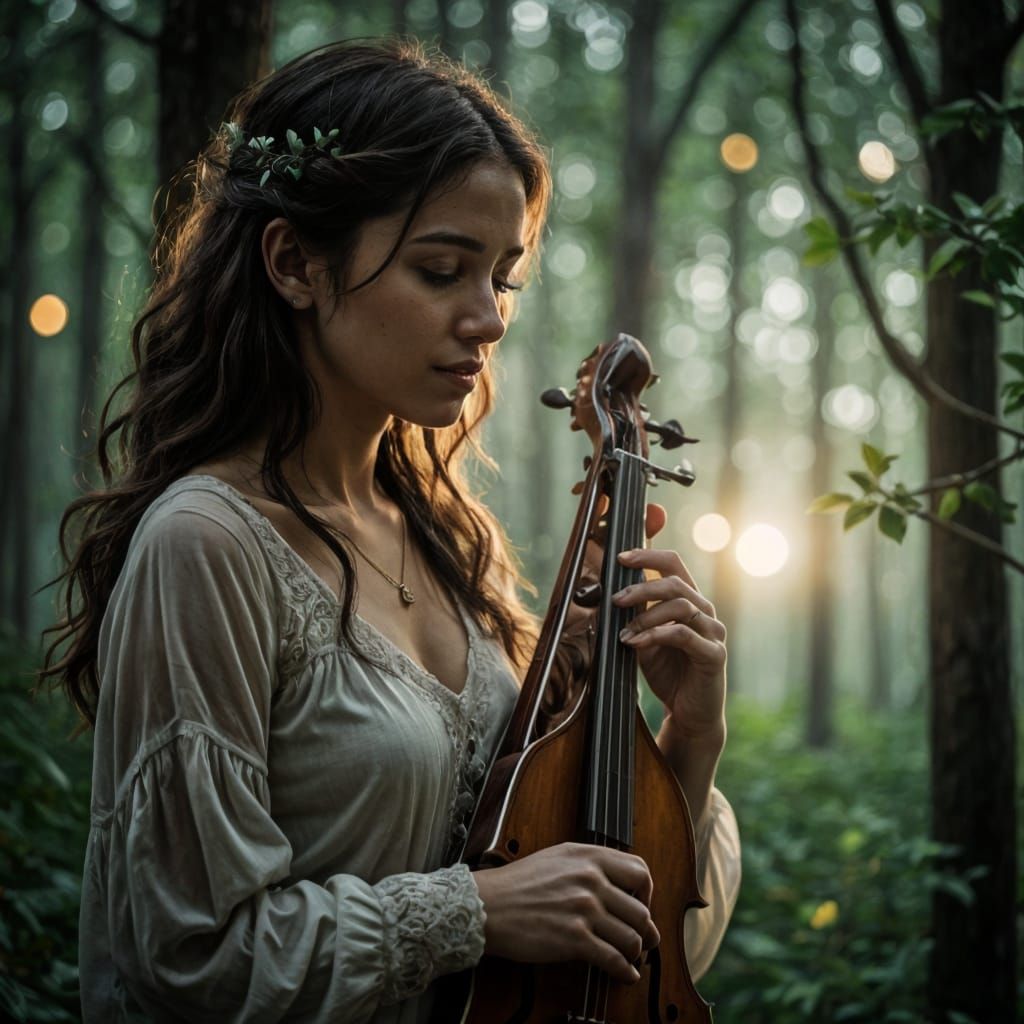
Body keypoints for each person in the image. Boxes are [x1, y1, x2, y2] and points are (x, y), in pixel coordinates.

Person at [42, 38, 740, 1024]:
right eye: (442, 268)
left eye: (501, 277)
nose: (489, 319)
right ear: (294, 262)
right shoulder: (208, 544)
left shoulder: (454, 548)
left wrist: (687, 730)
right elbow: (185, 958)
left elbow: (623, 957)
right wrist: (474, 910)